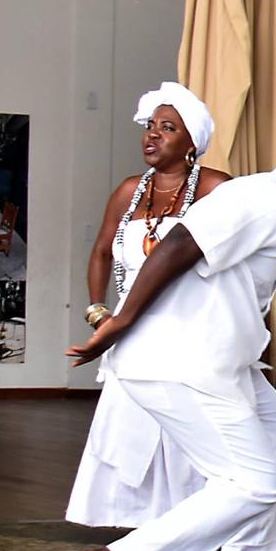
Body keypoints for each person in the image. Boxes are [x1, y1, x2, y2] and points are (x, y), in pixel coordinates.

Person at [66, 129, 276, 551]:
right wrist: (121, 320)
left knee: (274, 422)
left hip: (215, 357)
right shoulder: (270, 198)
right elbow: (181, 242)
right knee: (254, 481)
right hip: (179, 357)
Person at [66, 82, 230, 528]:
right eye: (151, 126)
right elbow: (102, 252)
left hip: (190, 326)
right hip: (130, 326)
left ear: (192, 142)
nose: (153, 134)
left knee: (185, 427)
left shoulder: (217, 188)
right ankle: (136, 520)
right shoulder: (129, 191)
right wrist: (98, 311)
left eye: (168, 127)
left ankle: (192, 521)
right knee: (130, 420)